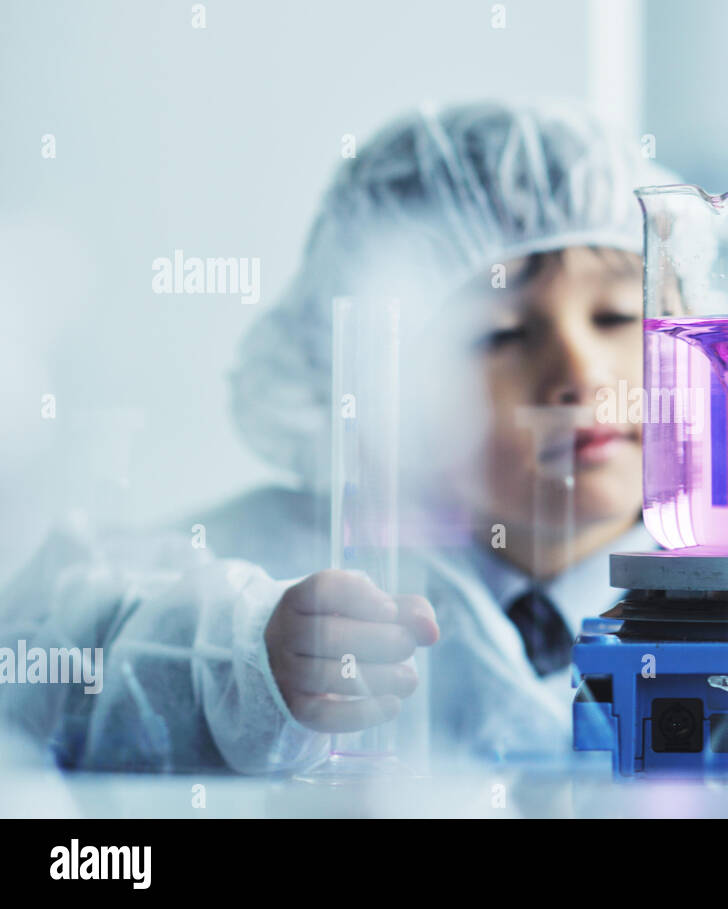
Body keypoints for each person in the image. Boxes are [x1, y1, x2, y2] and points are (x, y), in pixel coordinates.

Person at [0, 100, 678, 773]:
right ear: (383, 383)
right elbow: (46, 649)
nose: (582, 373)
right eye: (499, 332)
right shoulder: (291, 562)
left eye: (618, 315)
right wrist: (244, 665)